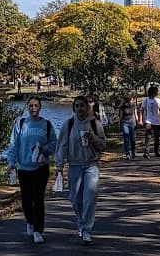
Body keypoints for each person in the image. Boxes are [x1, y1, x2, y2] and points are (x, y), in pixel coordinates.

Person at [55, 95, 107, 245]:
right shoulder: (69, 124)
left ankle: (86, 230)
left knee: (89, 199)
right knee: (75, 199)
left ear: (87, 107)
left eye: (82, 105)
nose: (79, 109)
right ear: (74, 108)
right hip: (74, 166)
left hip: (91, 165)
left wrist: (92, 138)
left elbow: (103, 145)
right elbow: (62, 146)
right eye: (77, 106)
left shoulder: (95, 123)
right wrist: (59, 165)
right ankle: (81, 221)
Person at [6, 95, 58, 244]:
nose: (33, 108)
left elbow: (54, 143)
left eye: (36, 105)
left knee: (38, 199)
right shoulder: (21, 124)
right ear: (27, 107)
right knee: (27, 200)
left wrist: (43, 149)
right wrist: (11, 163)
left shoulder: (46, 125)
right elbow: (13, 144)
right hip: (24, 168)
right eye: (31, 106)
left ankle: (38, 230)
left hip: (41, 168)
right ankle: (30, 221)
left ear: (40, 107)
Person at [140, 85, 160, 158]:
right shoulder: (146, 100)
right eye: (156, 91)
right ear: (153, 92)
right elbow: (142, 110)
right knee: (148, 137)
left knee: (156, 137)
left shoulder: (158, 100)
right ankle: (146, 152)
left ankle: (156, 151)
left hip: (156, 121)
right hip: (148, 121)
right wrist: (141, 120)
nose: (157, 92)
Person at [118, 93, 140, 159]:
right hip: (125, 123)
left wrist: (138, 121)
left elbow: (135, 114)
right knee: (126, 138)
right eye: (131, 100)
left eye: (132, 100)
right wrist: (119, 123)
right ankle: (127, 153)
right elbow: (120, 116)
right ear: (128, 100)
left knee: (132, 138)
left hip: (132, 123)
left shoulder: (133, 105)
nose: (132, 101)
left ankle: (133, 151)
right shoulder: (122, 107)